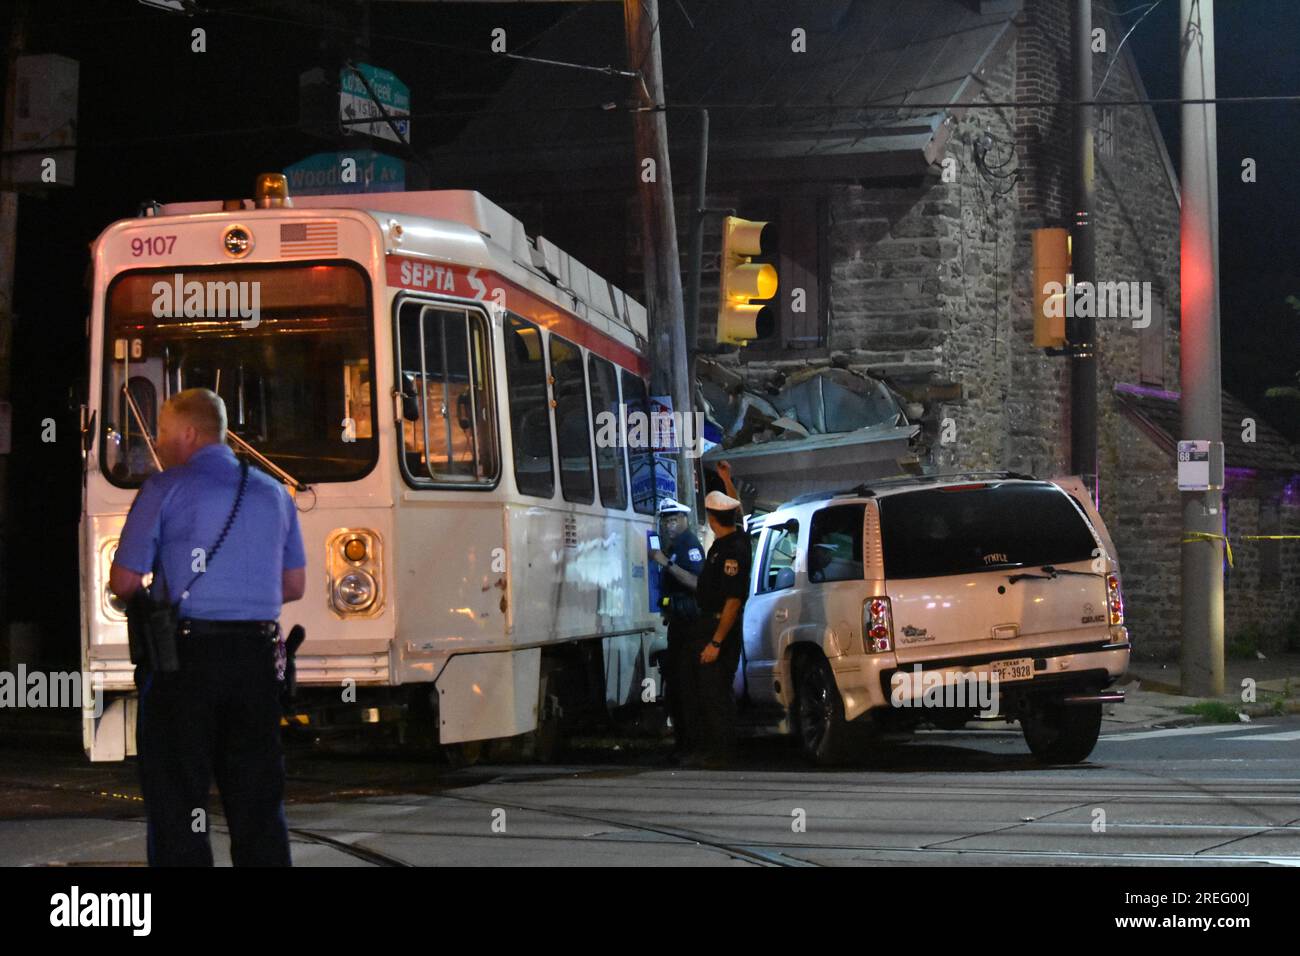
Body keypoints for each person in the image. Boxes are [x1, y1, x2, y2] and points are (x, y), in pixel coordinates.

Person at [109, 388, 306, 867]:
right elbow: (294, 585)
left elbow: (124, 580)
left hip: (185, 663)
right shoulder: (275, 492)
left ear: (189, 434)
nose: (157, 443)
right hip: (257, 662)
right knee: (258, 801)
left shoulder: (163, 488)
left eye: (161, 433)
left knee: (178, 799)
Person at [682, 462, 752, 768]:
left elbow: (733, 601)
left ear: (711, 519)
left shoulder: (730, 551)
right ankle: (715, 750)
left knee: (715, 694)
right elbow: (736, 511)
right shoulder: (736, 539)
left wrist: (716, 642)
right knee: (709, 691)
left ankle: (721, 753)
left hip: (718, 628)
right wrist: (726, 478)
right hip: (713, 626)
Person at [649, 497, 704, 760]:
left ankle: (693, 745)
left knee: (688, 688)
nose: (669, 525)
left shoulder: (689, 545)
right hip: (678, 625)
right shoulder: (674, 547)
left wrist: (664, 562)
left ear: (683, 520)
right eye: (665, 521)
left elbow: (696, 582)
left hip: (691, 627)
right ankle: (684, 743)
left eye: (673, 520)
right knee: (678, 689)